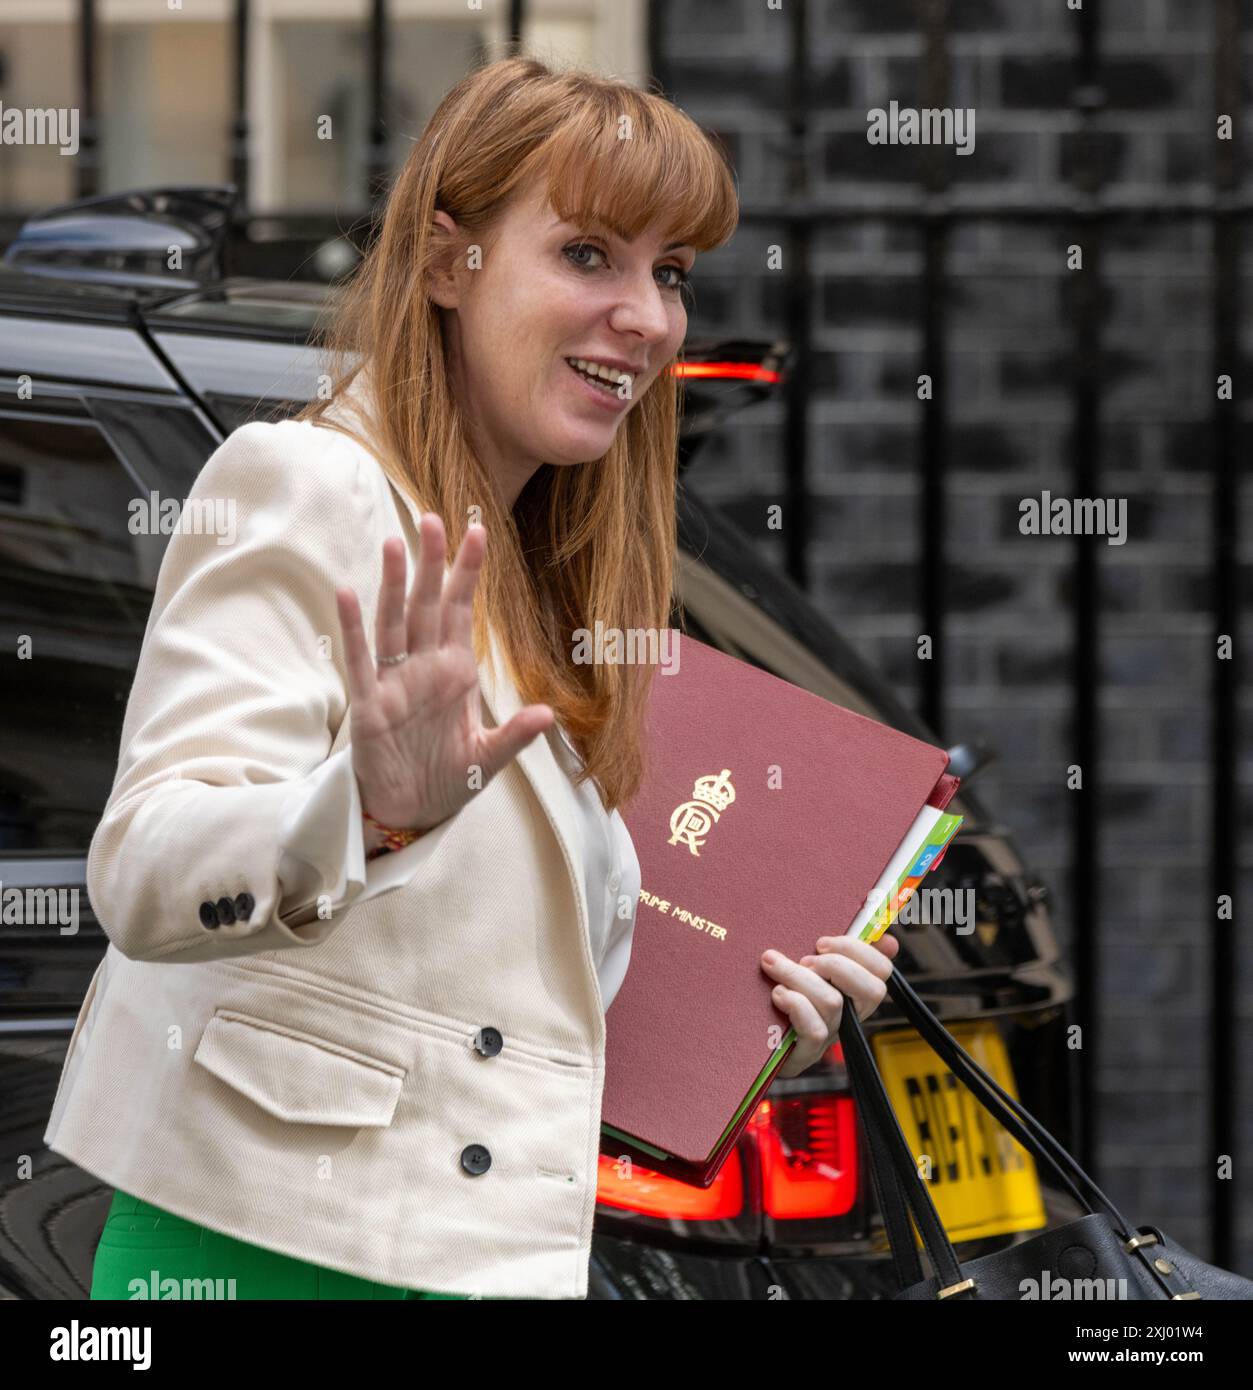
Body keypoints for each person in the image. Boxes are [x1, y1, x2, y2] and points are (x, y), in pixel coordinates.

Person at [45, 55, 898, 1301]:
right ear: (448, 264)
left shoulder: (549, 585)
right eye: (590, 254)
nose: (648, 317)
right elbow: (146, 867)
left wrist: (758, 1005)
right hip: (267, 1259)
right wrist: (366, 807)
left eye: (669, 272)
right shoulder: (304, 484)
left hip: (471, 1261)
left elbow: (503, 1000)